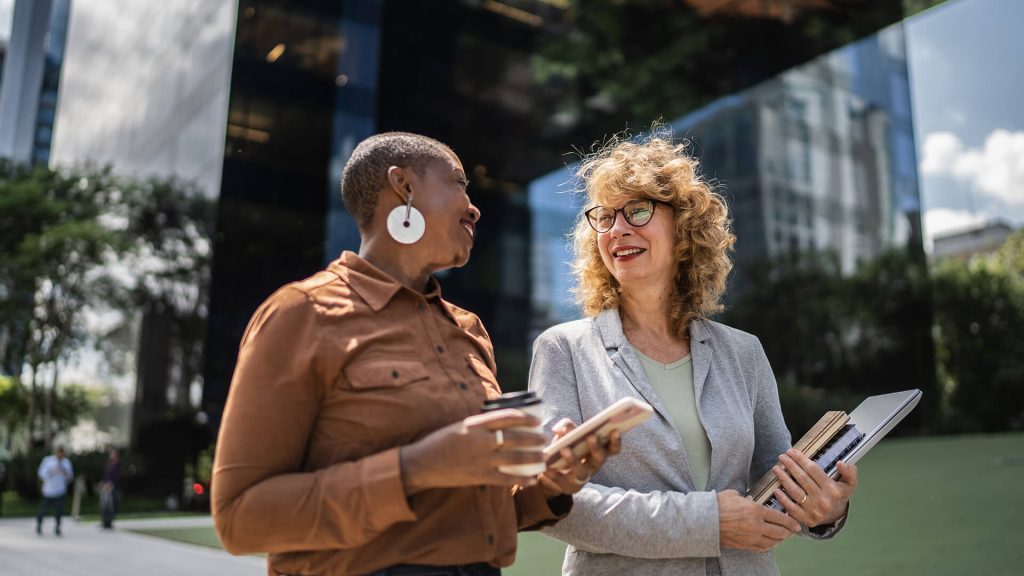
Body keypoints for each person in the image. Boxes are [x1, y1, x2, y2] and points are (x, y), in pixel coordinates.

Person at [212, 132, 618, 576]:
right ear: (403, 186)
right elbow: (240, 519)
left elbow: (476, 509)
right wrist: (415, 468)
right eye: (459, 183)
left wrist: (551, 482)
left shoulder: (469, 331)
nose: (473, 205)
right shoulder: (300, 315)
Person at [528, 131, 858, 575]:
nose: (618, 228)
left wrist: (824, 509)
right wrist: (707, 523)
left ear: (683, 228)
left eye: (638, 210)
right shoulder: (562, 350)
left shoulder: (744, 352)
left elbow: (774, 482)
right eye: (604, 217)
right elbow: (555, 502)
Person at [36, 446, 74, 536]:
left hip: (60, 490)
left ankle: (57, 527)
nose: (59, 454)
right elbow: (41, 473)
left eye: (61, 453)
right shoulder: (48, 460)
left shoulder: (66, 462)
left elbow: (70, 476)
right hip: (48, 490)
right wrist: (50, 471)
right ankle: (39, 525)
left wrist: (64, 471)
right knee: (43, 510)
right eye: (58, 452)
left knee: (59, 510)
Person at [99, 447, 121, 529]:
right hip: (106, 487)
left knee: (111, 505)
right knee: (104, 505)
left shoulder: (117, 464)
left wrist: (110, 484)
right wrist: (103, 483)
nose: (111, 456)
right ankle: (104, 522)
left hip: (112, 487)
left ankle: (109, 522)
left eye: (113, 454)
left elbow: (116, 477)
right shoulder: (108, 464)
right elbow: (106, 476)